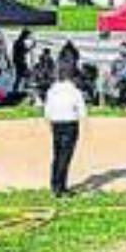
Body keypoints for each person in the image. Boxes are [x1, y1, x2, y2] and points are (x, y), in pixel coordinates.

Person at [43, 63, 86, 198]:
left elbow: (47, 112)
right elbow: (82, 112)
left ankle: (54, 184)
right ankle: (61, 187)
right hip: (70, 123)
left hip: (56, 124)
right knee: (65, 157)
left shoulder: (52, 90)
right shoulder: (75, 92)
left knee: (57, 155)